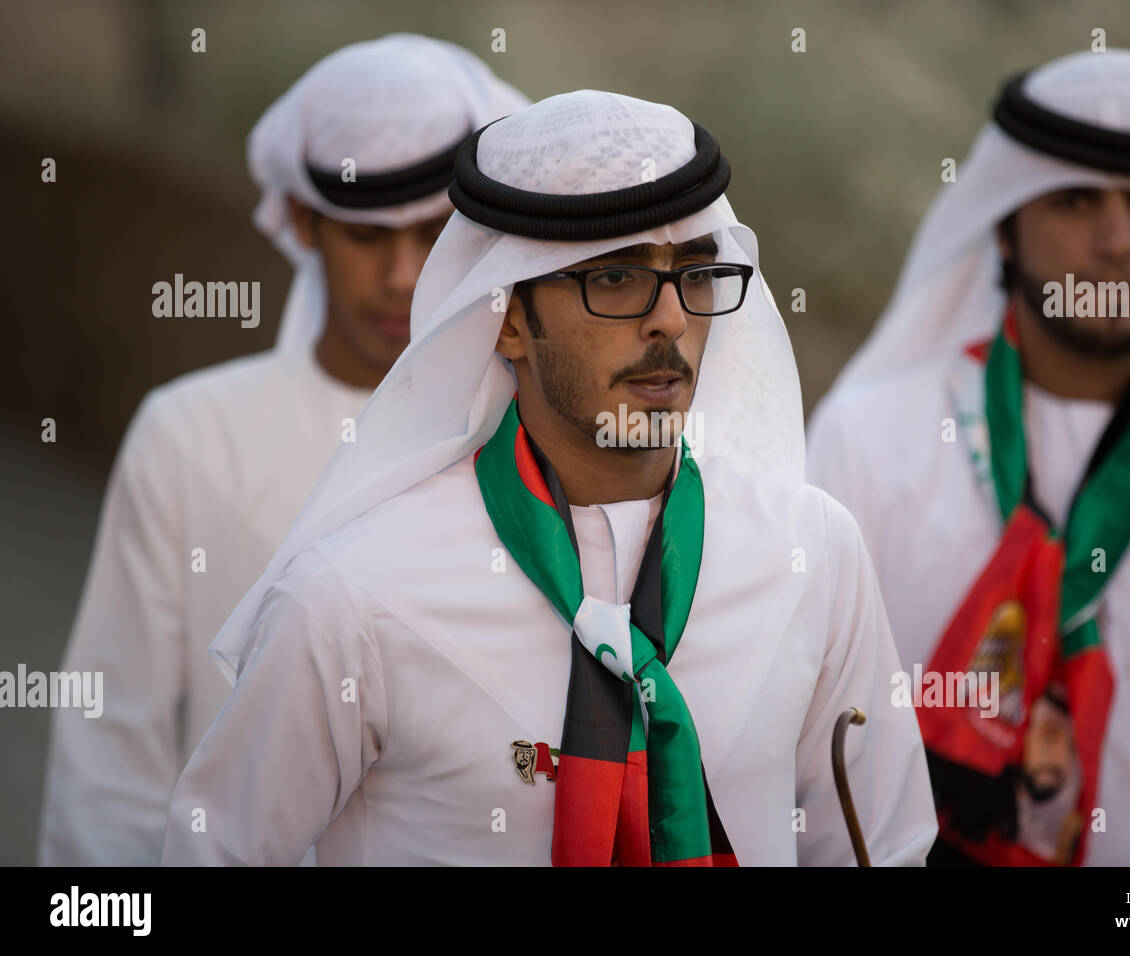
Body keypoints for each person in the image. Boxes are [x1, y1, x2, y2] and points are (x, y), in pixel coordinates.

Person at [161, 90, 938, 866]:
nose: (669, 319)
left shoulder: (813, 554)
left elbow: (887, 846)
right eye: (616, 278)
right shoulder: (354, 596)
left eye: (694, 274)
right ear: (505, 318)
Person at [39, 34, 529, 866]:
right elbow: (109, 754)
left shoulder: (527, 430)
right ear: (304, 222)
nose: (405, 276)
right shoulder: (191, 435)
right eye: (367, 237)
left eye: (433, 234)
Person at [808, 49, 1130, 865]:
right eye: (1075, 200)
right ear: (1002, 224)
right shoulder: (869, 439)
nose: (1118, 242)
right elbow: (810, 757)